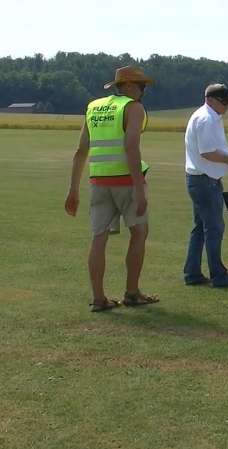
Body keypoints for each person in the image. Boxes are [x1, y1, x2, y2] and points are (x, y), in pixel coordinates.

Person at [64, 65, 160, 312]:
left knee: (98, 238)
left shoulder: (93, 107)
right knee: (139, 233)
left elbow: (80, 150)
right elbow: (131, 147)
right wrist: (139, 189)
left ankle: (99, 299)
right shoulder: (133, 108)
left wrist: (73, 189)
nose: (143, 91)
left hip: (98, 183)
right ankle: (132, 292)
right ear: (128, 86)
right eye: (140, 86)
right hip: (127, 182)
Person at [183, 83, 228, 288]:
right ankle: (218, 276)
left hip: (200, 179)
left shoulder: (208, 116)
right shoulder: (206, 119)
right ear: (210, 100)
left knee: (201, 228)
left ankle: (192, 273)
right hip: (205, 181)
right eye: (224, 102)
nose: (227, 106)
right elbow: (207, 153)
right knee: (214, 228)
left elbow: (211, 148)